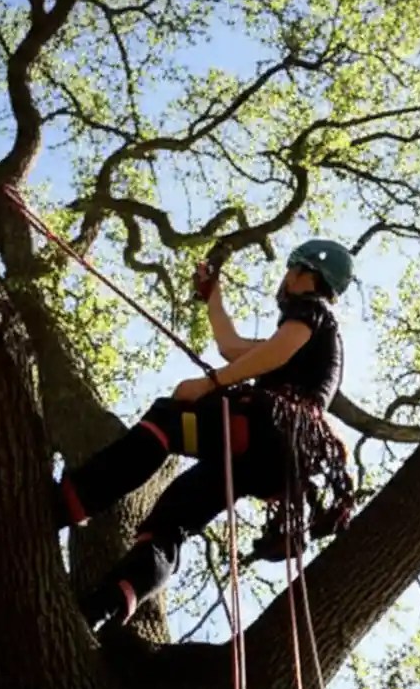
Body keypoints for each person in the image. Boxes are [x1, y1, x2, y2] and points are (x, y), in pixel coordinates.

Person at [51, 239, 357, 630]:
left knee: (167, 419)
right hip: (262, 463)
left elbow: (277, 351)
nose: (284, 281)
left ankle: (69, 502)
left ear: (305, 274)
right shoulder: (311, 338)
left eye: (289, 271)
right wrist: (213, 296)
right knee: (171, 520)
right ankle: (108, 602)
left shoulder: (313, 312)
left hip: (264, 429)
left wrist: (210, 383)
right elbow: (233, 347)